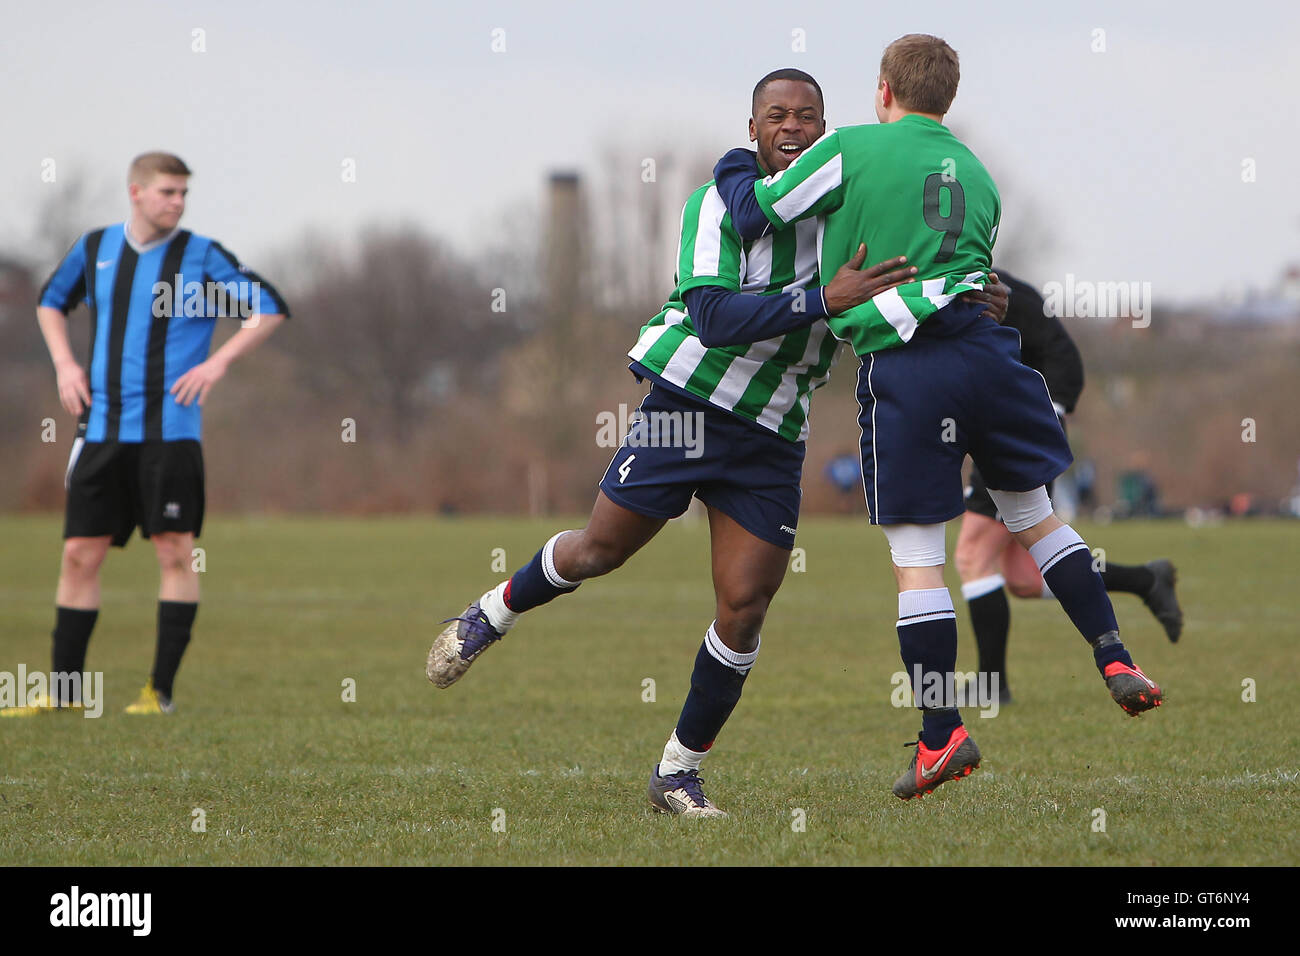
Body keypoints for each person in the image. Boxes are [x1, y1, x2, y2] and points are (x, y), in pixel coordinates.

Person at [427, 69, 1007, 817]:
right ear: (754, 128)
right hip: (687, 403)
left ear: (826, 131)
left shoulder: (846, 215)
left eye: (807, 116)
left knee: (744, 607)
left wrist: (982, 298)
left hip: (772, 433)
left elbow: (926, 271)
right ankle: (490, 614)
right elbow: (712, 316)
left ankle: (677, 774)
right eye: (777, 115)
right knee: (600, 550)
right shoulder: (716, 204)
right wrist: (820, 300)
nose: (792, 127)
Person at [712, 34, 1163, 801]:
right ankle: (1114, 652)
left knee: (919, 556)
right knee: (1038, 519)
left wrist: (731, 164)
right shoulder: (980, 175)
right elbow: (983, 277)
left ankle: (940, 732)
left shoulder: (851, 147)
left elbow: (757, 211)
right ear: (946, 97)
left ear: (882, 90)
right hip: (993, 358)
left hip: (909, 366)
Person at [2, 151, 289, 718]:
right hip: (102, 428)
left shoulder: (199, 255)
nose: (177, 203)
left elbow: (270, 307)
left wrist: (218, 363)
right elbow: (50, 301)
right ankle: (63, 693)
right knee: (79, 556)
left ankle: (158, 693)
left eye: (183, 193)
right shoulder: (95, 247)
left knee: (174, 552)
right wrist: (64, 365)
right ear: (135, 192)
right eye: (167, 192)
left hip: (170, 433)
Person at [955, 271, 1183, 704]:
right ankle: (1144, 580)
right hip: (993, 426)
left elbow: (1064, 357)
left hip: (1016, 428)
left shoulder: (991, 285)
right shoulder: (941, 280)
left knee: (972, 554)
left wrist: (1048, 409)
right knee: (1022, 578)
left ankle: (992, 686)